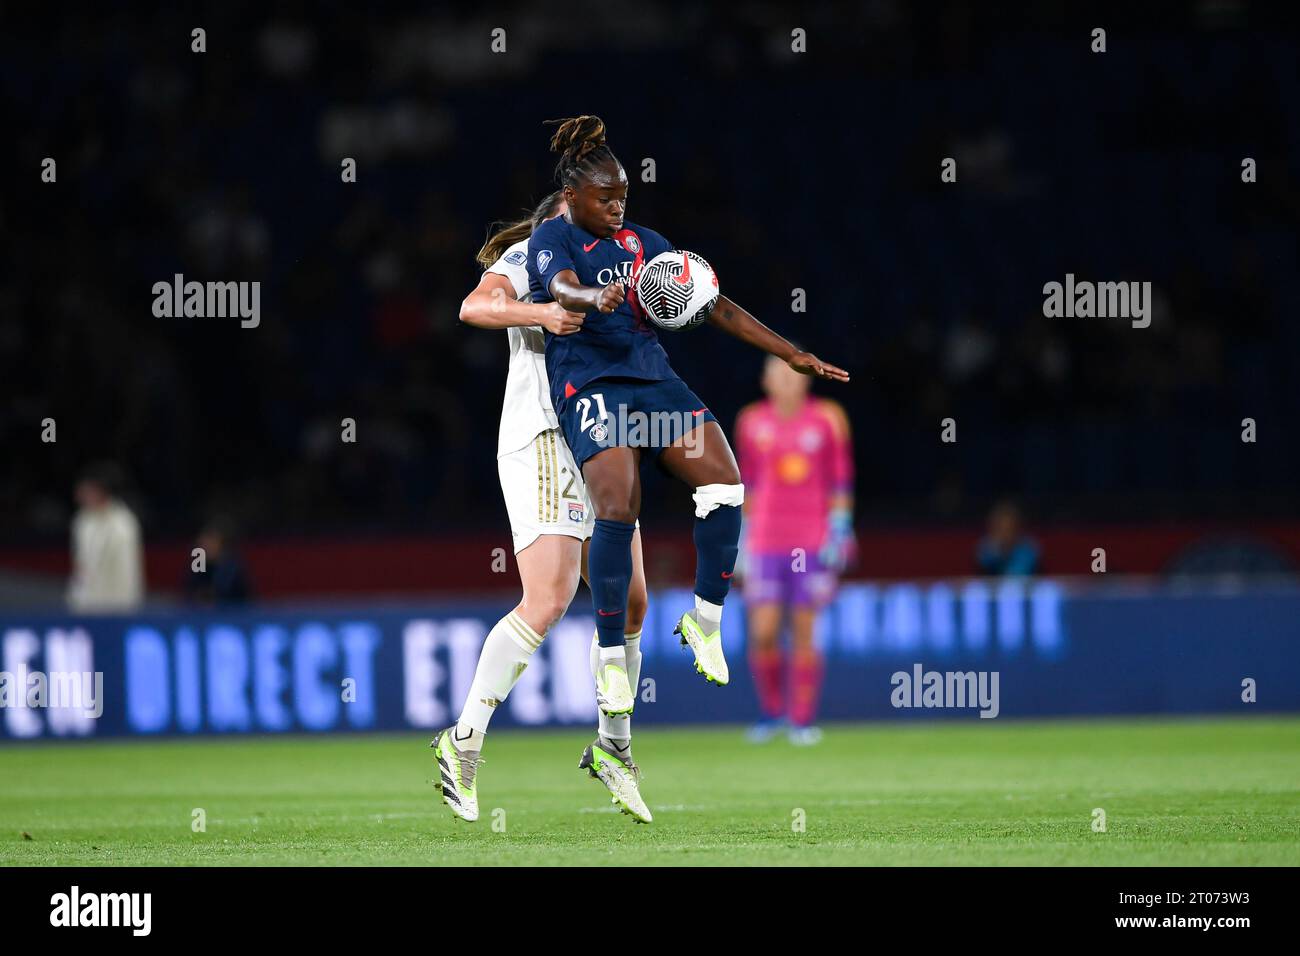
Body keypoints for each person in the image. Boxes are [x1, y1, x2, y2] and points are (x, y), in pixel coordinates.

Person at [525, 116, 849, 751]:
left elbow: (716, 305)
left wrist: (791, 353)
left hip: (651, 380)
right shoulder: (552, 238)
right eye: (606, 196)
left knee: (725, 484)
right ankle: (612, 659)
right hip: (591, 385)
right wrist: (596, 297)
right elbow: (560, 289)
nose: (619, 205)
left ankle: (704, 620)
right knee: (619, 503)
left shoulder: (646, 244)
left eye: (624, 195)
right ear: (575, 196)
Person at [435, 191, 653, 824]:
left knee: (632, 596)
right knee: (550, 596)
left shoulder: (615, 263)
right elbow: (473, 307)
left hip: (599, 435)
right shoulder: (529, 255)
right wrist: (545, 314)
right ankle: (464, 742)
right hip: (542, 438)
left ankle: (614, 748)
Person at [736, 356, 855, 745]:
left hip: (812, 539)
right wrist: (741, 541)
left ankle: (802, 721)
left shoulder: (828, 418)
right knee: (764, 632)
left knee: (805, 631)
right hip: (766, 541)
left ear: (806, 379)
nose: (785, 380)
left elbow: (840, 480)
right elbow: (748, 485)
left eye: (791, 373)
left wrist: (840, 530)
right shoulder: (751, 421)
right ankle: (772, 714)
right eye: (777, 374)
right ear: (765, 381)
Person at [67, 462, 144, 613]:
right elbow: (80, 567)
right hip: (84, 608)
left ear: (100, 491)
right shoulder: (82, 521)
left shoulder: (123, 525)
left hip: (115, 610)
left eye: (86, 489)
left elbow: (128, 575)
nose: (79, 495)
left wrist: (125, 611)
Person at [182, 518, 253, 605]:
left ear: (221, 545)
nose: (205, 547)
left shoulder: (232, 569)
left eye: (210, 543)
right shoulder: (198, 566)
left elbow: (242, 600)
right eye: (202, 543)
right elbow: (189, 594)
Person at [976, 500, 1041, 576]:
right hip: (992, 587)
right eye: (1001, 527)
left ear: (1016, 526)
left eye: (1009, 527)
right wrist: (999, 549)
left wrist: (1009, 549)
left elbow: (1020, 572)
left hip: (1023, 586)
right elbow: (984, 565)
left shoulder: (1029, 547)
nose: (1005, 532)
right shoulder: (986, 546)